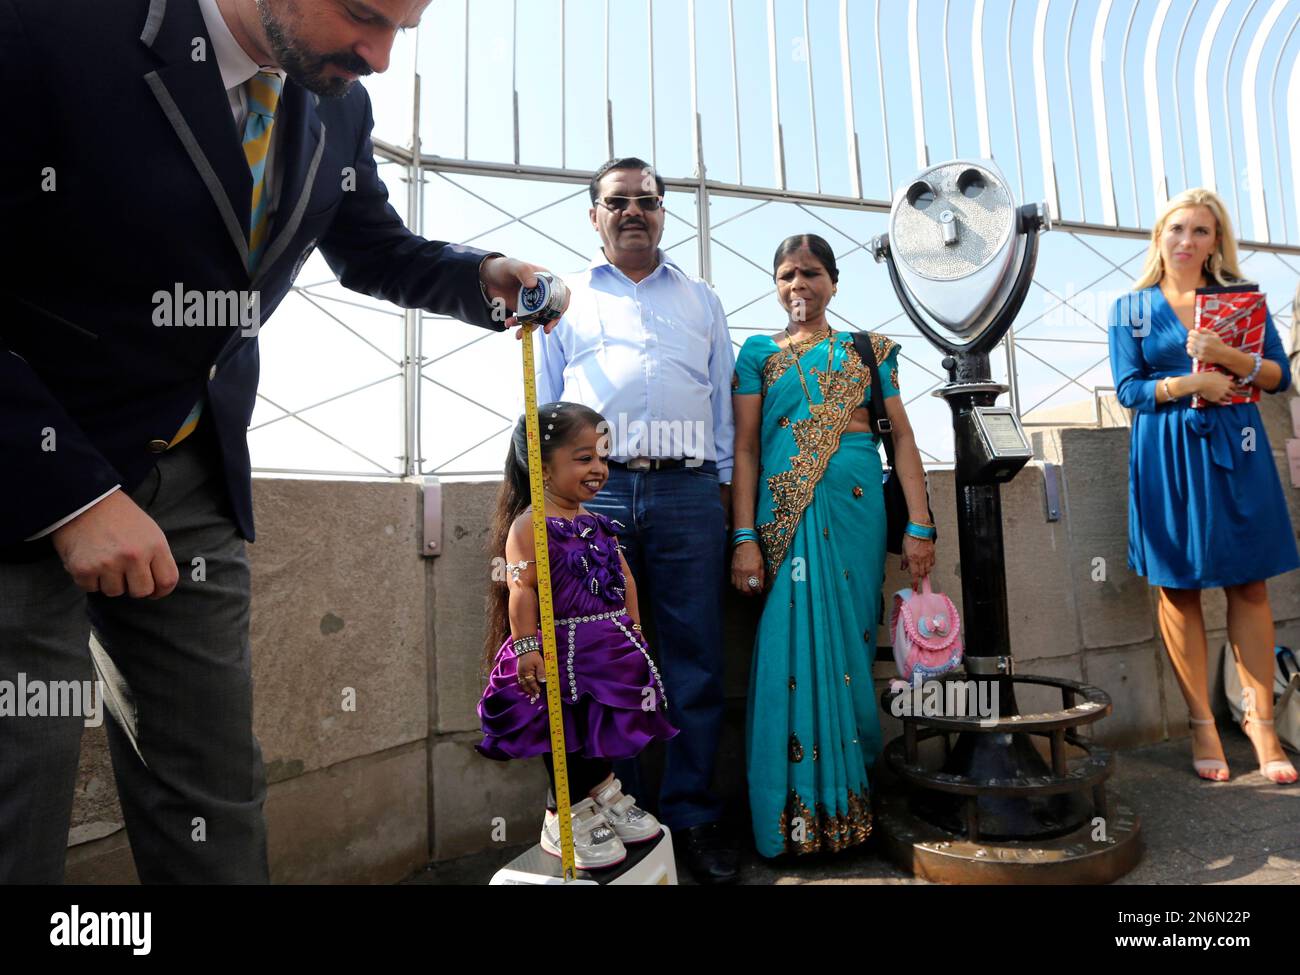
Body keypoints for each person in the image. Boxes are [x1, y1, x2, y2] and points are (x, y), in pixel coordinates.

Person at [0, 0, 565, 883]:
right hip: (25, 470)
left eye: (401, 33)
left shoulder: (334, 99)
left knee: (213, 794)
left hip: (191, 478)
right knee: (16, 786)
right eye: (362, 16)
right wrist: (72, 492)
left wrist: (478, 277)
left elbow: (372, 248)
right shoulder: (50, 26)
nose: (378, 55)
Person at [534, 157, 739, 882]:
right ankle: (617, 820)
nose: (632, 212)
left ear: (663, 213)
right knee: (601, 663)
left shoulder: (701, 299)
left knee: (695, 661)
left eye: (646, 201)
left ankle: (691, 817)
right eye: (616, 202)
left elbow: (720, 403)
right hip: (598, 496)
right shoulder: (566, 302)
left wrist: (720, 495)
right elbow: (548, 411)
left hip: (688, 496)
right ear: (593, 215)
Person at [730, 234, 936, 857]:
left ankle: (851, 814)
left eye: (812, 273)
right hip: (783, 520)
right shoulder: (757, 354)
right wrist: (743, 536)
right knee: (786, 655)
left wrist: (919, 524)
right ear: (775, 284)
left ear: (834, 282)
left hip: (856, 514)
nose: (800, 285)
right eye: (788, 274)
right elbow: (744, 448)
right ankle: (791, 821)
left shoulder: (868, 352)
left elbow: (900, 437)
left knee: (847, 649)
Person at [1107, 187, 1298, 785]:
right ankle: (1201, 725)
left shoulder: (1241, 303)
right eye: (1177, 229)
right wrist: (1189, 385)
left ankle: (1261, 723)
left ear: (1217, 242)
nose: (1187, 241)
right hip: (1164, 450)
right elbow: (1129, 390)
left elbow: (1277, 377)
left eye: (1201, 231)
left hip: (1236, 449)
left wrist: (1225, 357)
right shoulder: (1130, 308)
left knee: (1250, 586)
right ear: (1159, 237)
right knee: (1179, 589)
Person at [478, 403, 677, 869]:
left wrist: (633, 629)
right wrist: (527, 648)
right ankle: (563, 812)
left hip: (606, 650)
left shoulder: (593, 521)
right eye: (584, 457)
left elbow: (624, 577)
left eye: (603, 458)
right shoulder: (529, 526)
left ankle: (604, 792)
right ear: (543, 467)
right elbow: (521, 587)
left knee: (599, 727)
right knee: (564, 730)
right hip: (559, 653)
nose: (599, 469)